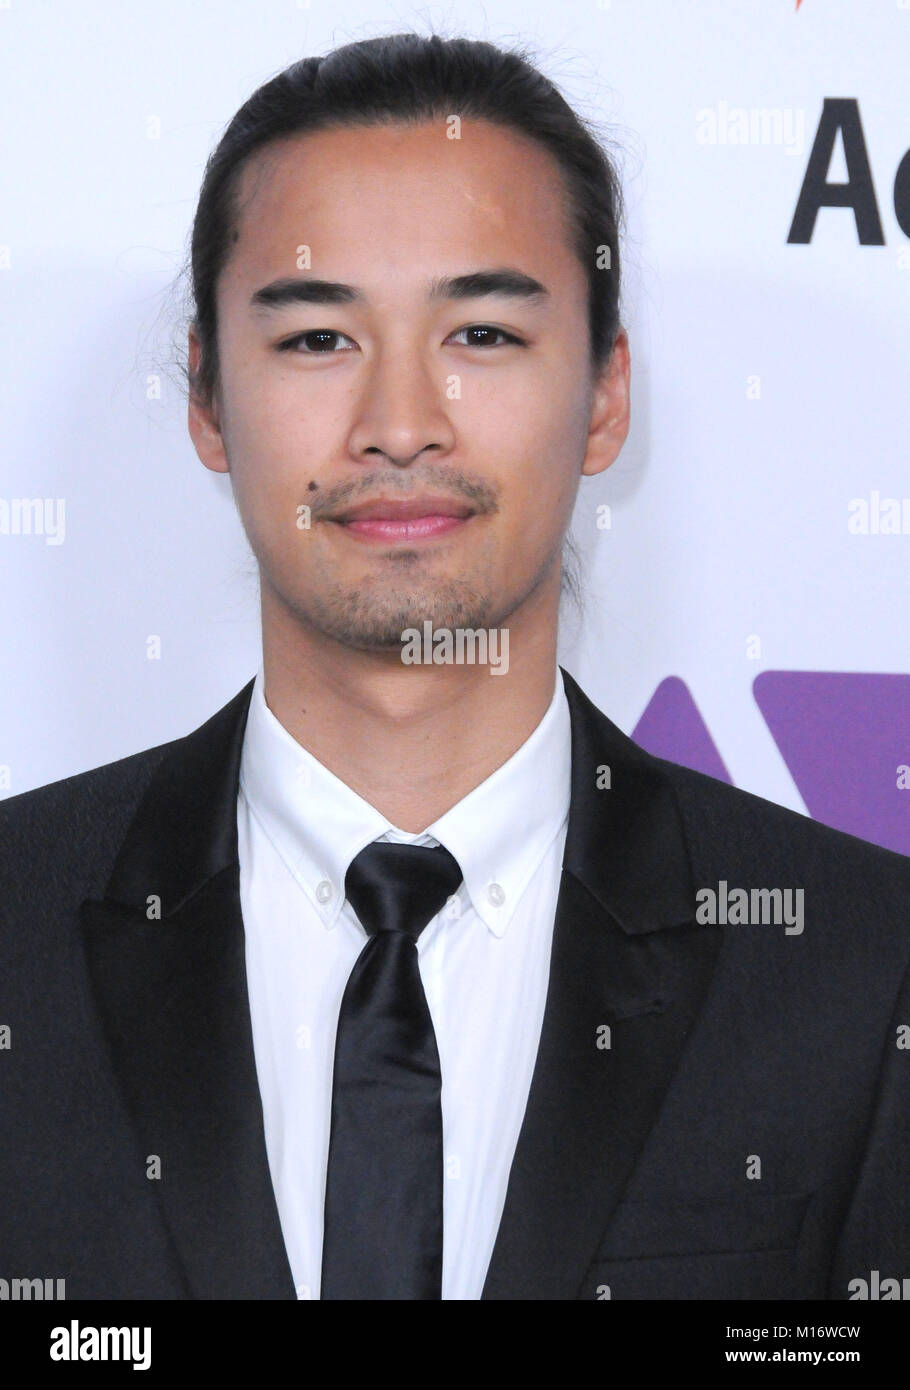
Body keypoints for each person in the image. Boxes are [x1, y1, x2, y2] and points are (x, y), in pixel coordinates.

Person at [2, 32, 910, 1303]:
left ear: (603, 396)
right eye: (318, 339)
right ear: (206, 398)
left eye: (480, 332)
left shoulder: (862, 969)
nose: (399, 425)